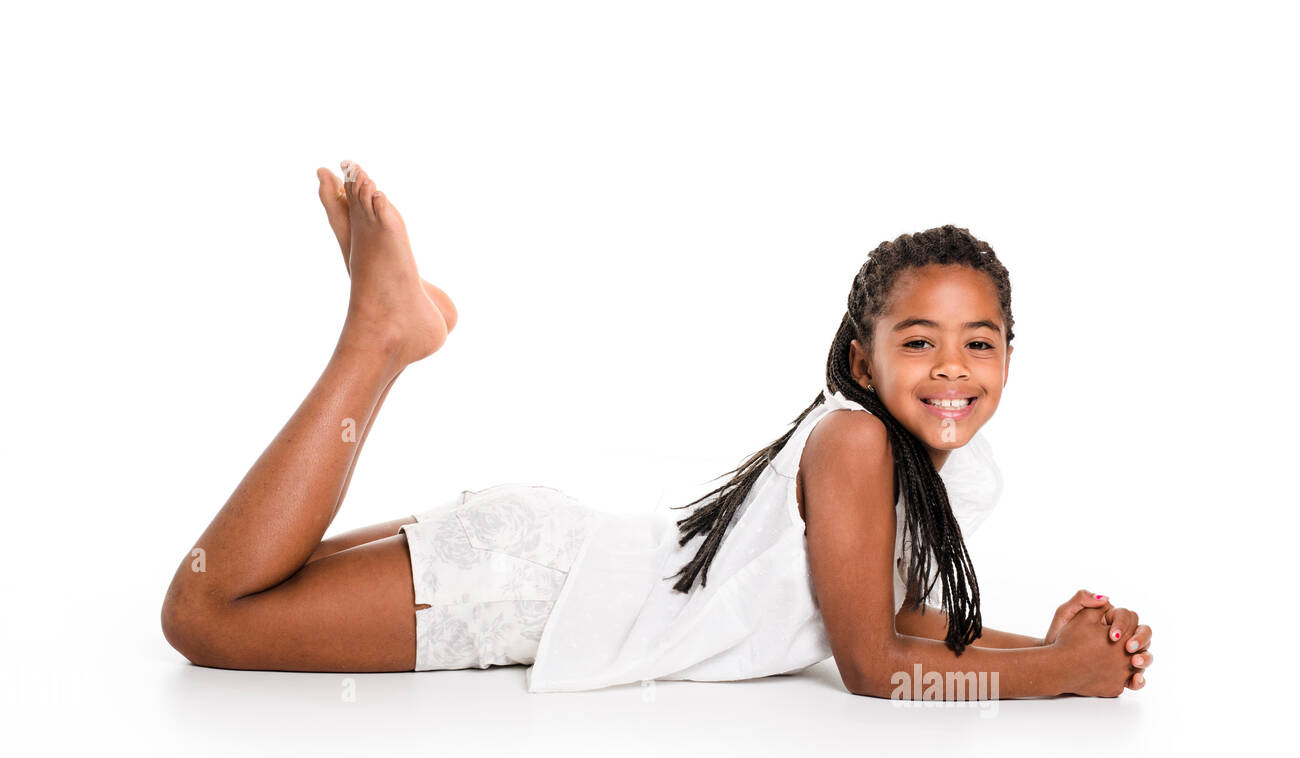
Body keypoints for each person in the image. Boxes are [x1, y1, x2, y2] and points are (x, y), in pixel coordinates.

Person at [160, 161, 1154, 699]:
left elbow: (889, 615)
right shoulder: (852, 441)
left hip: (543, 559)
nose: (951, 366)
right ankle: (375, 341)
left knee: (245, 594)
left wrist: (1043, 644)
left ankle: (384, 335)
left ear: (1010, 359)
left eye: (979, 343)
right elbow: (874, 666)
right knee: (209, 617)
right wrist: (1064, 676)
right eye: (920, 339)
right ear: (862, 358)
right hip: (534, 590)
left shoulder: (912, 467)